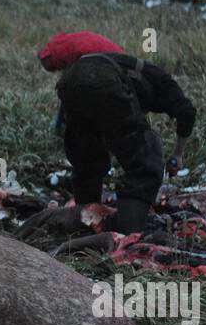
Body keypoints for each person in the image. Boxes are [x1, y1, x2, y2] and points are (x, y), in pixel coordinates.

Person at [39, 31, 196, 234]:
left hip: (70, 82)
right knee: (145, 160)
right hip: (103, 77)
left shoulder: (130, 72)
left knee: (88, 160)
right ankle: (129, 236)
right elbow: (187, 112)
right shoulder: (163, 83)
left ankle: (86, 221)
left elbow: (110, 125)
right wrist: (177, 154)